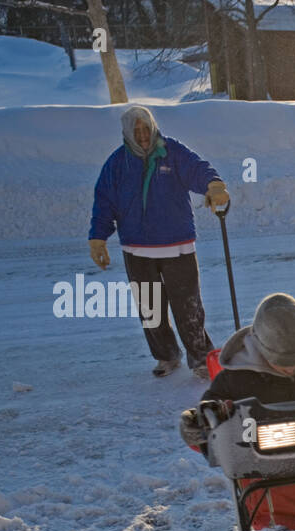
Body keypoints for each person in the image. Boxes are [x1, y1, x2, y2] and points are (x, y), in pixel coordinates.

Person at [179, 293, 295, 529]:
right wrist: (195, 428)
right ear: (259, 345)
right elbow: (211, 425)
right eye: (282, 362)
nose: (291, 368)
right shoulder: (236, 377)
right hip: (270, 499)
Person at [89, 105, 229, 378]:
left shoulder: (172, 152)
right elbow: (104, 202)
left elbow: (197, 169)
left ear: (153, 127)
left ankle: (201, 358)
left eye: (146, 129)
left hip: (177, 244)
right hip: (136, 248)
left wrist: (213, 185)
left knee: (188, 305)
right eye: (136, 131)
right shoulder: (117, 164)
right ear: (127, 134)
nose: (142, 136)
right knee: (150, 308)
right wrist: (98, 238)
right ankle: (166, 356)